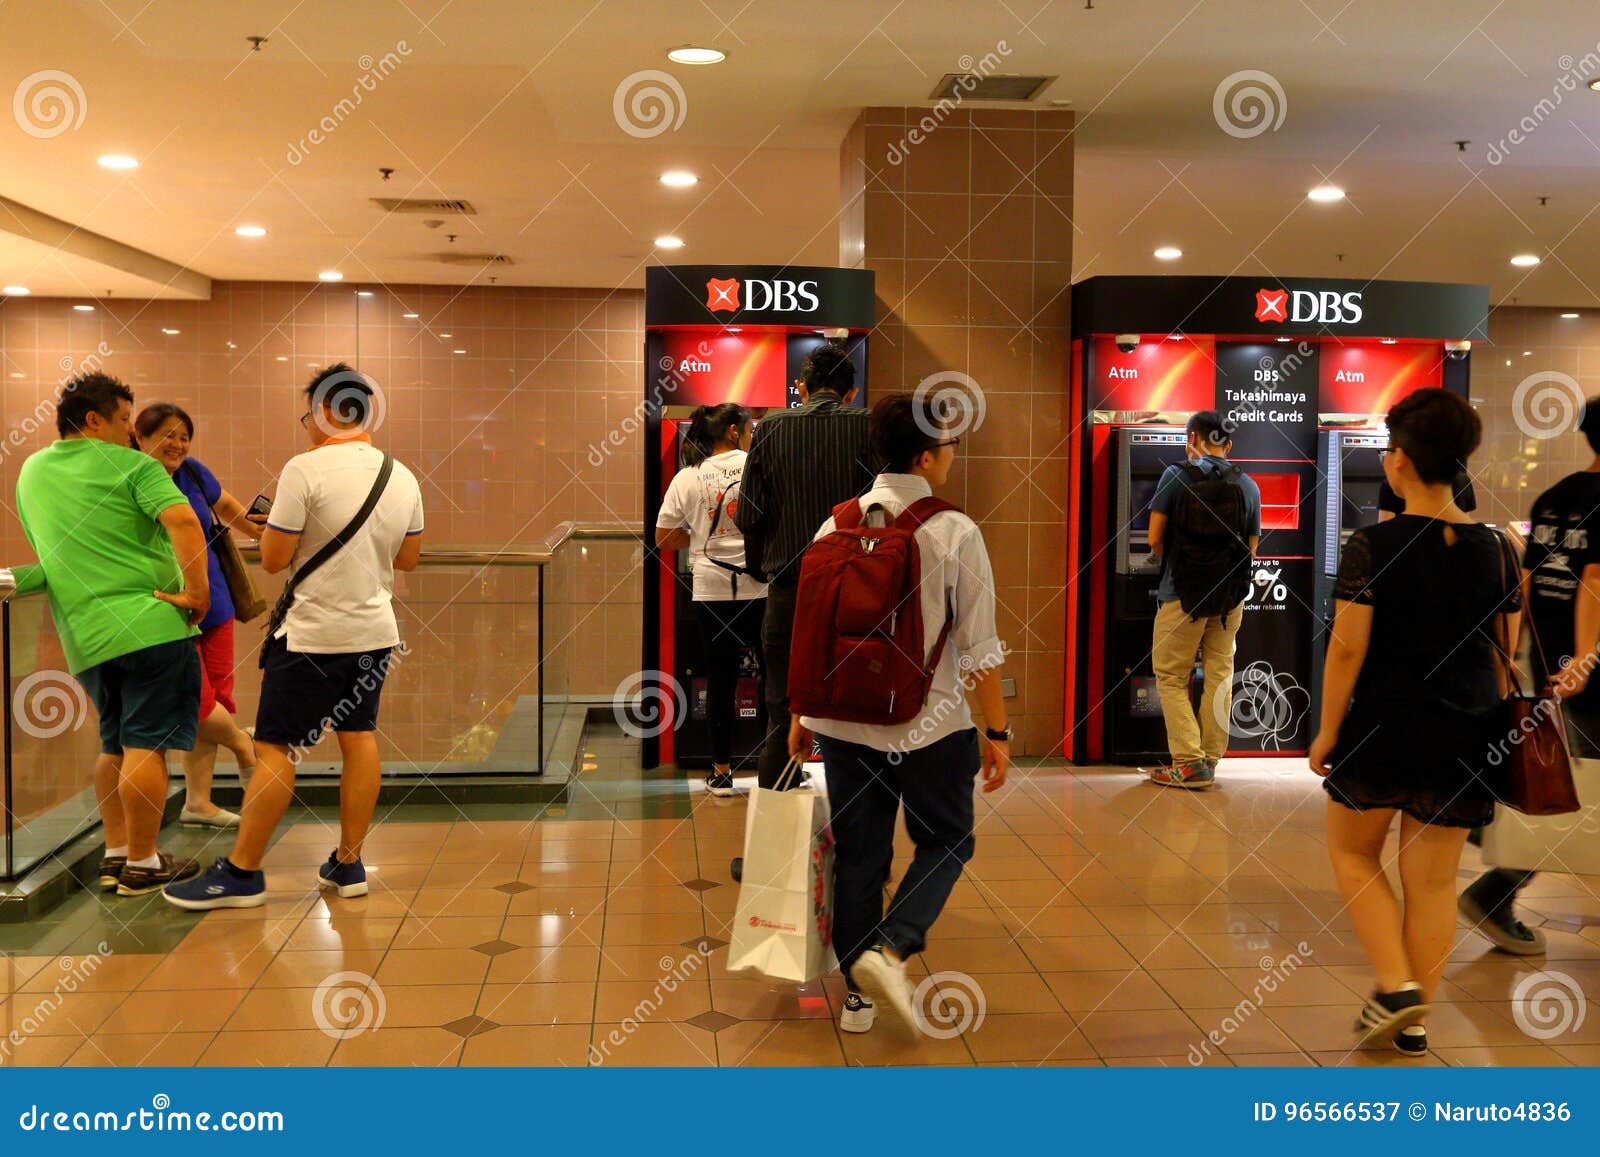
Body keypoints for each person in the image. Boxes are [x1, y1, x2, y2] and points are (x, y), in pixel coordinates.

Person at [790, 394, 1010, 1035]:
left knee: (861, 852)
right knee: (947, 838)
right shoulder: (952, 530)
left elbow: (810, 631)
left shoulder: (834, 526)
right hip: (928, 723)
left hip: (841, 721)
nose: (952, 454)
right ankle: (893, 946)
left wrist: (802, 715)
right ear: (924, 455)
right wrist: (996, 731)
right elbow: (980, 649)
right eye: (948, 443)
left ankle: (856, 996)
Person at [165, 364, 424, 909]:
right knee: (358, 737)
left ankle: (242, 873)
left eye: (308, 414)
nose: (307, 426)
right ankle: (349, 865)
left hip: (311, 635)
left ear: (329, 410)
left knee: (275, 746)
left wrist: (293, 534)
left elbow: (276, 559)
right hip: (375, 632)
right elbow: (409, 558)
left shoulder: (303, 470)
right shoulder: (401, 475)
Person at [1309, 388, 1520, 1058]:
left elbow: (1347, 646)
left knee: (1352, 852)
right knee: (1431, 883)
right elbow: (1505, 648)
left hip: (1385, 724)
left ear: (1398, 460)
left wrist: (1325, 729)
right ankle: (1417, 1018)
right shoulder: (1498, 547)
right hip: (1468, 730)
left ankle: (1396, 985)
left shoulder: (1375, 543)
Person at [13, 372, 209, 895]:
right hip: (150, 626)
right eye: (124, 421)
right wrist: (197, 593)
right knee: (148, 745)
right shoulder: (135, 465)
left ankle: (116, 854)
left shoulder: (31, 471)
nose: (130, 432)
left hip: (86, 636)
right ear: (94, 419)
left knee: (114, 746)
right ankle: (145, 865)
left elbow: (51, 555)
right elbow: (185, 522)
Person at [1463, 397, 1600, 953]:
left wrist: (1512, 654)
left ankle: (1496, 885)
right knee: (1573, 793)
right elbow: (1595, 583)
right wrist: (1585, 661)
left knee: (1558, 785)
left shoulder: (1554, 498)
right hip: (1588, 676)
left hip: (1546, 667)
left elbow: (1523, 584)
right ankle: (1495, 891)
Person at [734, 341, 876, 792]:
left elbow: (749, 513)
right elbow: (880, 508)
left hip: (790, 590)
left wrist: (762, 569)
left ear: (802, 387)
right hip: (855, 595)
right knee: (852, 704)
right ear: (850, 393)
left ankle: (776, 830)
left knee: (782, 703)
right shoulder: (867, 426)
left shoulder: (772, 427)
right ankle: (857, 839)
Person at [134, 403, 262, 828]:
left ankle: (198, 802)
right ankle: (244, 745)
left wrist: (265, 533)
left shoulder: (192, 473)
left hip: (215, 602)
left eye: (184, 436)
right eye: (168, 435)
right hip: (168, 606)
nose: (178, 444)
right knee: (196, 697)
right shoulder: (133, 478)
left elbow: (227, 507)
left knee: (218, 697)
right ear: (140, 436)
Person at [1144, 410, 1261, 790]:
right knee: (1220, 674)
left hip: (1182, 595)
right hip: (1230, 600)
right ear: (1227, 444)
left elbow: (1154, 538)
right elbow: (1252, 549)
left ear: (1192, 438)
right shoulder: (1248, 485)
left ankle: (1190, 762)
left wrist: (1182, 565)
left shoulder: (1175, 476)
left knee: (1171, 676)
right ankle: (1210, 757)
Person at [655, 403, 767, 797]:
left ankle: (721, 771)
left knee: (720, 680)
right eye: (750, 428)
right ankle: (775, 771)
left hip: (711, 591)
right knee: (770, 678)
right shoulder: (758, 465)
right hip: (760, 588)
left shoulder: (688, 477)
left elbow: (664, 537)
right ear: (735, 432)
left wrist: (701, 540)